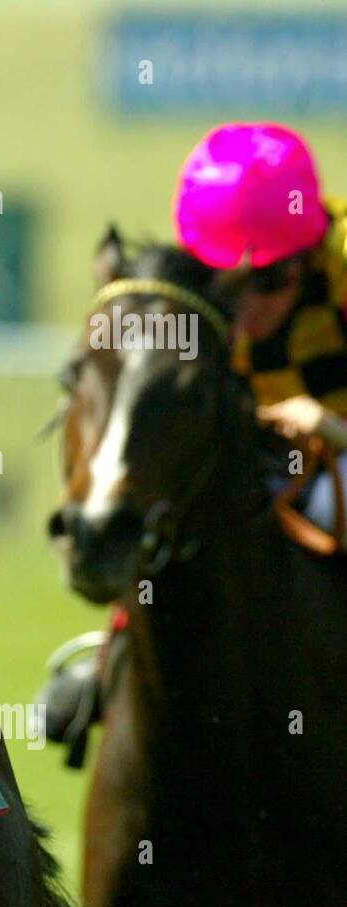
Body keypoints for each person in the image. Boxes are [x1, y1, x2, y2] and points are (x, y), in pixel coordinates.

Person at [41, 123, 347, 750]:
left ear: (310, 250)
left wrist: (333, 427)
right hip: (258, 455)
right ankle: (115, 658)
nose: (247, 304)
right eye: (227, 279)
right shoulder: (186, 293)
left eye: (270, 281)